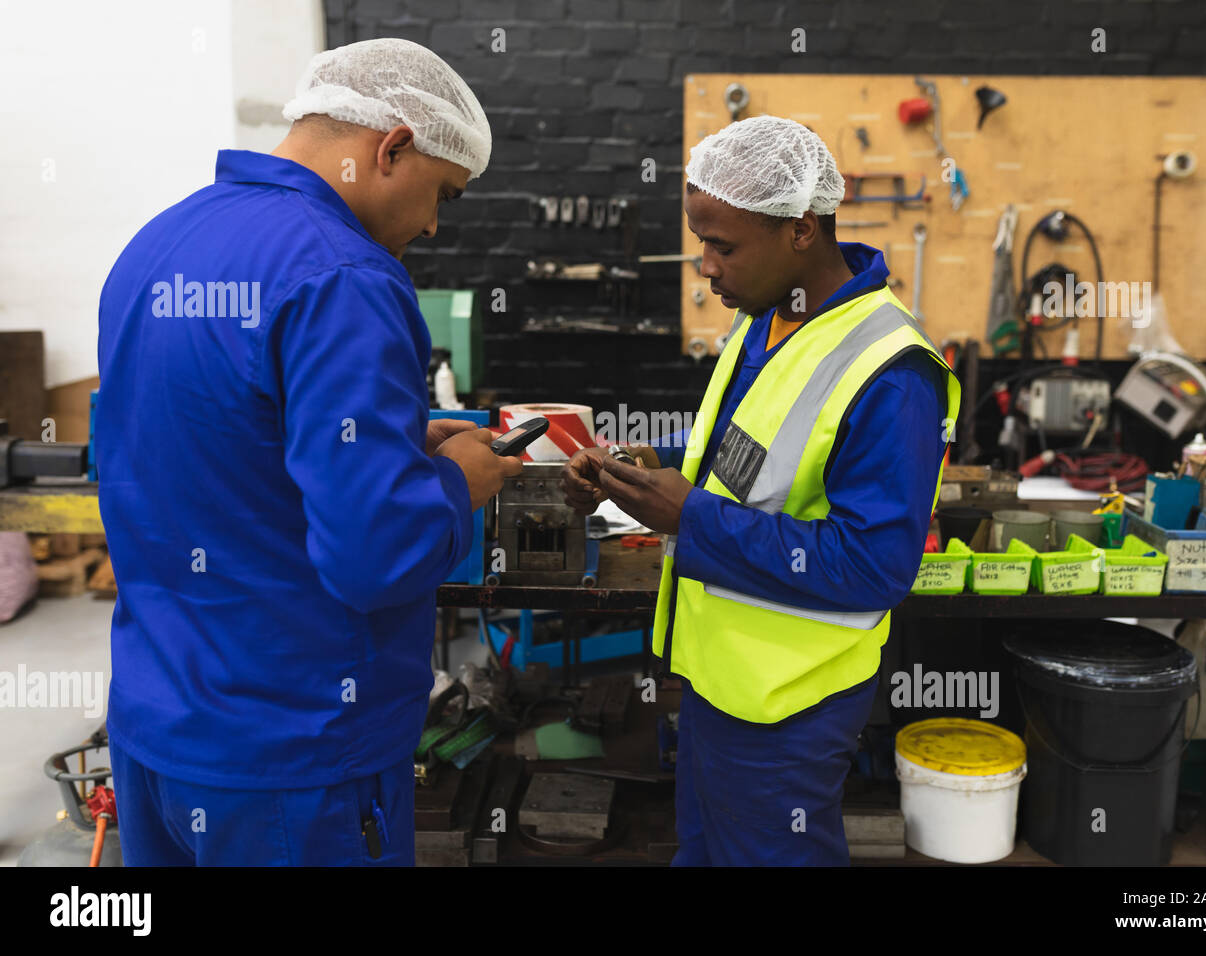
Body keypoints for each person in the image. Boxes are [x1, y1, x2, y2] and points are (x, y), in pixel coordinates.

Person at [96, 38, 521, 865]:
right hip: (295, 755)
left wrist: (393, 448)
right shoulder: (345, 276)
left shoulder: (159, 244)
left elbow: (213, 446)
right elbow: (375, 555)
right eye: (444, 194)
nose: (434, 224)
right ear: (391, 146)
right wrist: (453, 483)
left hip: (159, 727)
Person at [563, 115, 961, 866]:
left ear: (802, 229)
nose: (706, 267)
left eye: (723, 246)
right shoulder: (770, 317)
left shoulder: (893, 373)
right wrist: (645, 468)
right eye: (700, 243)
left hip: (793, 703)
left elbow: (874, 567)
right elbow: (746, 461)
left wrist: (691, 517)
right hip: (720, 677)